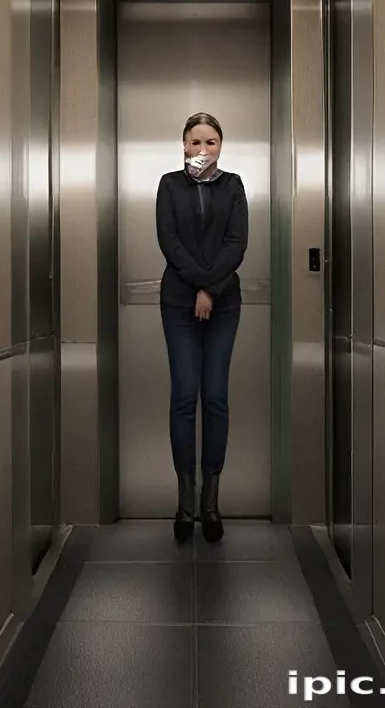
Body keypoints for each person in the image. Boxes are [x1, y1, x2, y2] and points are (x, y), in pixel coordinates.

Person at [155, 112, 249, 543]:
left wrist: (210, 290)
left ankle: (211, 504)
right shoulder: (169, 185)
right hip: (178, 303)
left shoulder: (233, 187)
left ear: (221, 147)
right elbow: (169, 241)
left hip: (224, 303)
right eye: (195, 142)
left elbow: (237, 244)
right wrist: (198, 286)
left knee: (215, 397)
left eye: (211, 142)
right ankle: (185, 504)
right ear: (183, 146)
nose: (202, 150)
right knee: (183, 397)